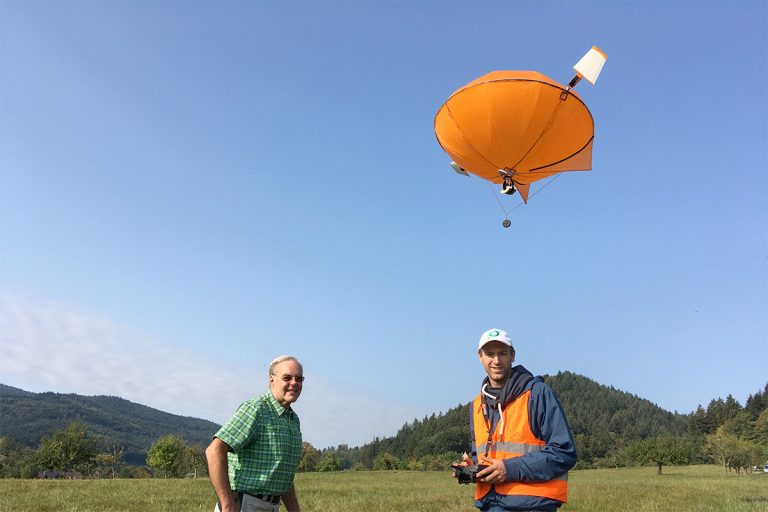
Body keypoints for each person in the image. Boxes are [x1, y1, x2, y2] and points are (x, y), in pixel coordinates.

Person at [462, 329, 576, 512]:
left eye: (503, 354)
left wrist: (509, 469)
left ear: (512, 355)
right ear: (480, 357)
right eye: (490, 354)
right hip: (490, 505)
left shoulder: (537, 394)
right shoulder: (476, 405)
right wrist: (470, 470)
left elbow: (564, 452)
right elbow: (483, 457)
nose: (496, 361)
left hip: (533, 505)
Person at [205, 355, 304, 512]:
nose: (294, 383)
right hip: (245, 505)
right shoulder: (256, 409)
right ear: (272, 380)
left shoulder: (292, 420)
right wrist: (227, 504)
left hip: (271, 506)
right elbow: (214, 451)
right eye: (287, 378)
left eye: (298, 379)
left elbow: (282, 475)